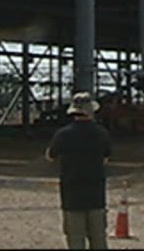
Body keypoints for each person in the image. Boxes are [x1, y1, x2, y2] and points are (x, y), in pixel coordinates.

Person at [45, 92, 111, 250]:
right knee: (98, 238)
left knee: (75, 238)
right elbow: (106, 158)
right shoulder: (102, 133)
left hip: (71, 192)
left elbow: (50, 156)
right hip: (96, 192)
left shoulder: (63, 134)